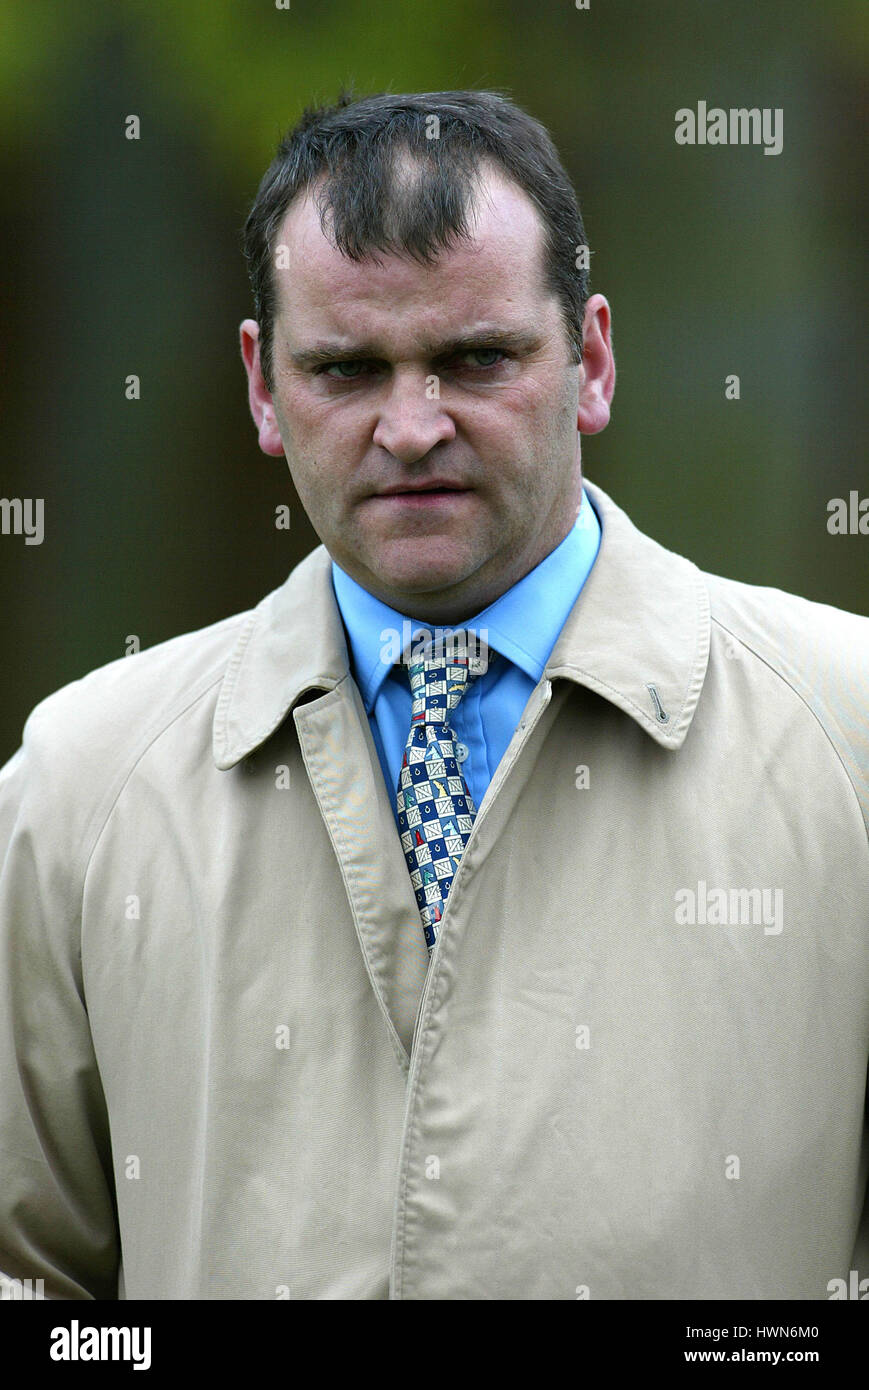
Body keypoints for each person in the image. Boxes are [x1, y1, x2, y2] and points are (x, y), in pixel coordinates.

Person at [1, 89, 867, 1303]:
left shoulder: (847, 735)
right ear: (261, 385)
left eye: (475, 359)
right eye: (346, 370)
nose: (411, 428)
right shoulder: (79, 785)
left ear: (592, 359)